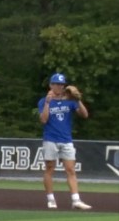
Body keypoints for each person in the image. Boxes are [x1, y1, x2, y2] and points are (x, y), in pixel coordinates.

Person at [37, 72, 91, 210]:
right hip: (51, 139)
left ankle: (76, 200)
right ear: (51, 85)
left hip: (66, 139)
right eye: (56, 84)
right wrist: (48, 103)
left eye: (62, 84)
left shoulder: (70, 101)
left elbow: (84, 115)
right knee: (50, 168)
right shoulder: (44, 101)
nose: (59, 87)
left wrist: (78, 99)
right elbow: (43, 120)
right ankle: (51, 199)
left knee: (70, 169)